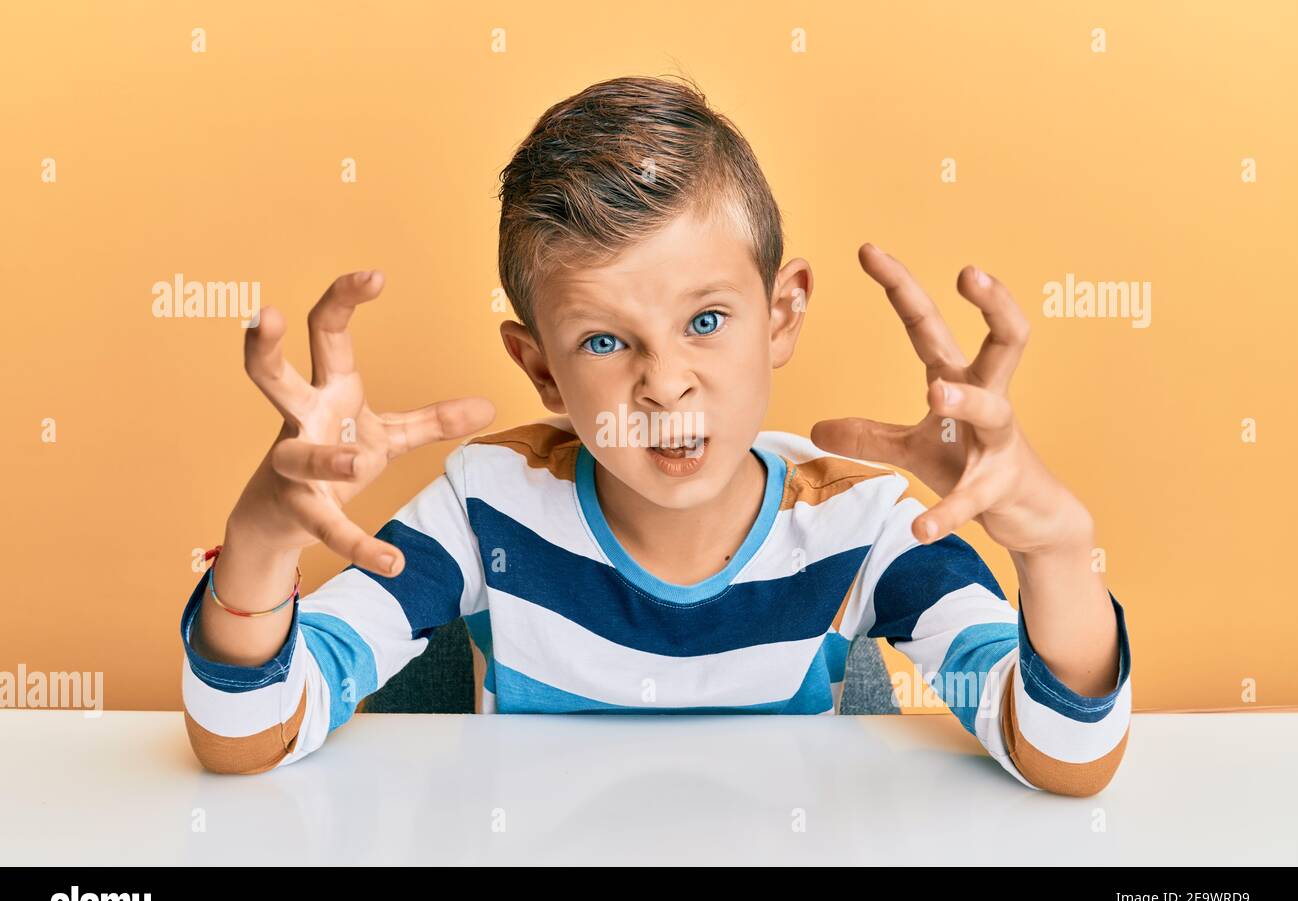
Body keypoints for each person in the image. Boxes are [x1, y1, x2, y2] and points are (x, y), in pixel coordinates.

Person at [179, 75, 1131, 796]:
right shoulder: (486, 509)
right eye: (603, 340)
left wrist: (1058, 549)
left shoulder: (863, 525)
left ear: (783, 314)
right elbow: (245, 739)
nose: (666, 379)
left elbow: (1063, 757)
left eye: (707, 320)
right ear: (543, 370)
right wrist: (261, 541)